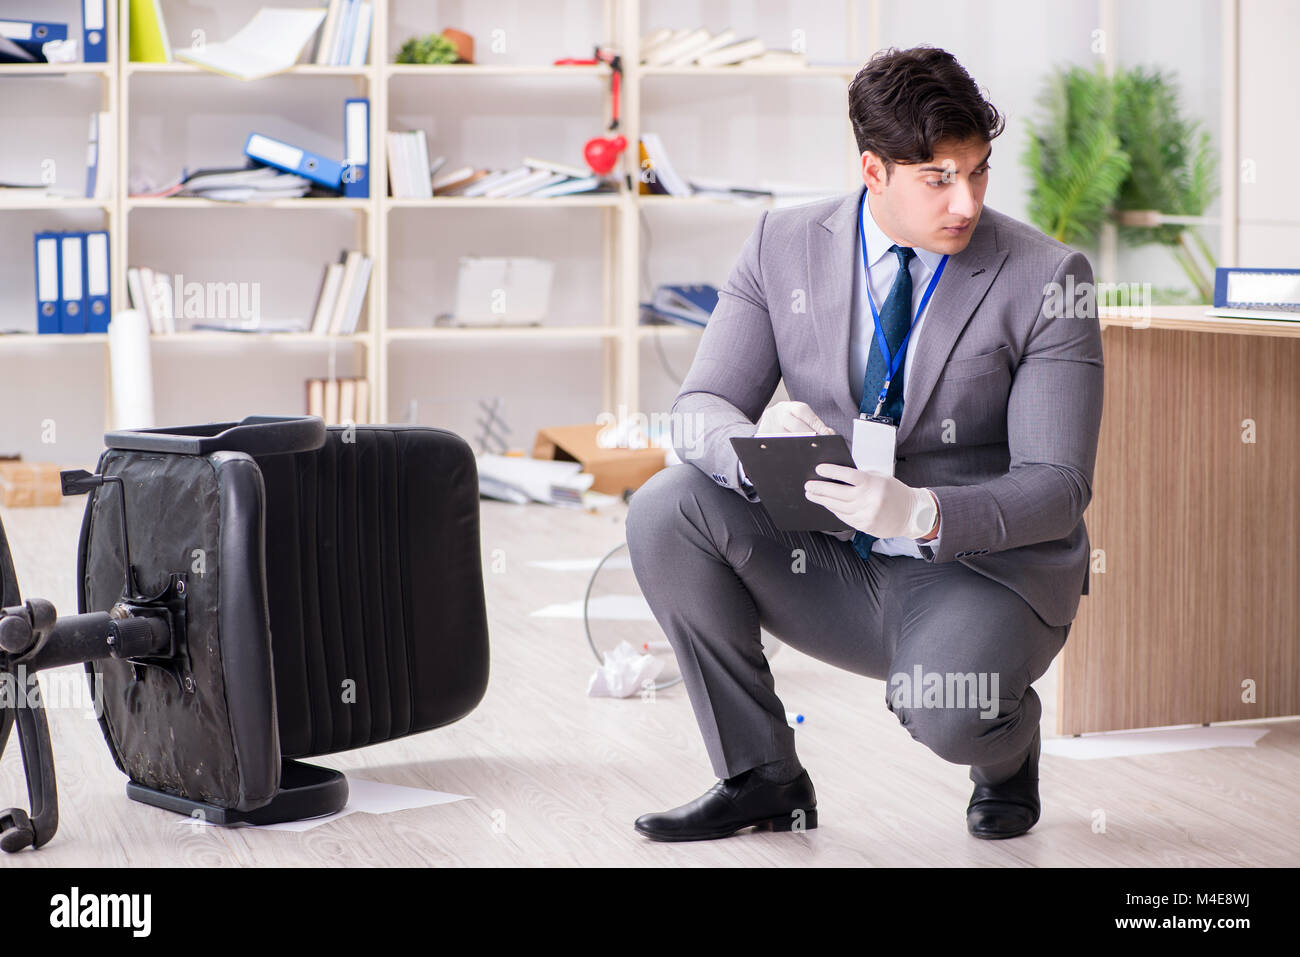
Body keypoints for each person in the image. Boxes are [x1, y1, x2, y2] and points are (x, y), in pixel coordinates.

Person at [624, 45, 1104, 842]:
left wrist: (921, 510)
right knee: (665, 510)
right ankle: (762, 777)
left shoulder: (1049, 277)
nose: (966, 202)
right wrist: (750, 438)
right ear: (874, 170)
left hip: (976, 570)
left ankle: (1006, 745)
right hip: (831, 557)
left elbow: (1058, 485)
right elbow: (697, 408)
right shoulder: (782, 244)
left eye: (978, 171)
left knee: (951, 714)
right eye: (938, 178)